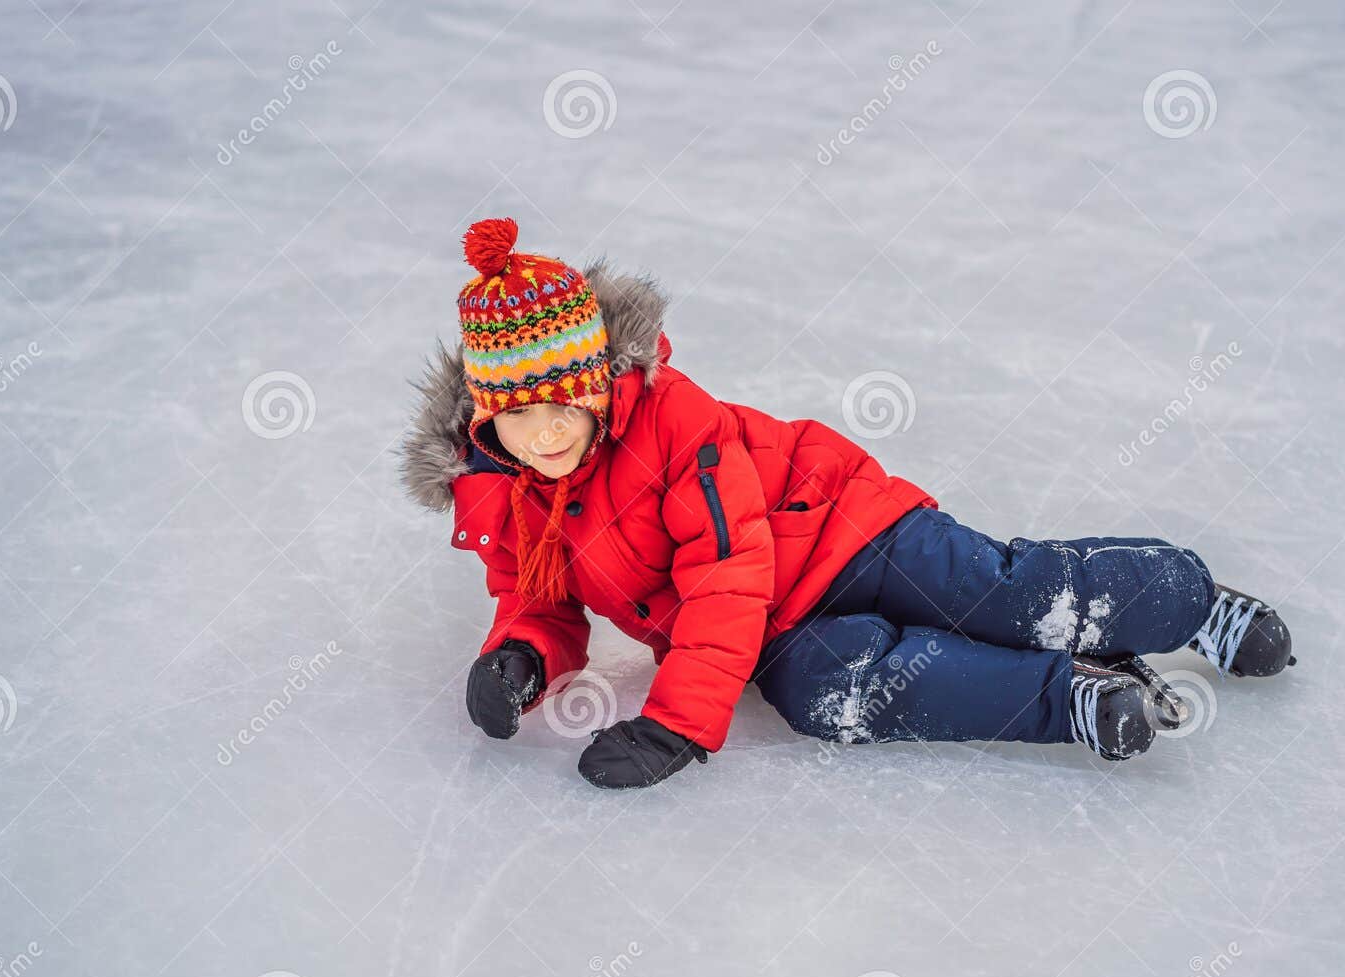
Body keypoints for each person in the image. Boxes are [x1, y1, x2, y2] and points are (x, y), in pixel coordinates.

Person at [401, 218, 1293, 789]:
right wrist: (520, 657)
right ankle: (1073, 698)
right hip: (779, 630)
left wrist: (677, 723)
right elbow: (537, 599)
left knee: (997, 590)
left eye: (565, 402)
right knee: (834, 694)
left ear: (597, 382)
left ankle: (1189, 601)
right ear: (487, 415)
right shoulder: (502, 494)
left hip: (846, 527)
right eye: (521, 414)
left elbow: (725, 572)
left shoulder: (676, 424)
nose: (548, 433)